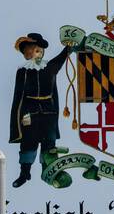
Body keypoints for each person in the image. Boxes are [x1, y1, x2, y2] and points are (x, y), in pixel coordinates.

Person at [9, 32, 73, 187]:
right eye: (27, 51)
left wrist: (69, 46)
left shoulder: (50, 67)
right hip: (29, 113)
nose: (30, 53)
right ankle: (25, 173)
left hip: (49, 114)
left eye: (34, 50)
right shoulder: (23, 71)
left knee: (49, 146)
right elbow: (18, 96)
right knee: (28, 144)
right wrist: (22, 116)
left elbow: (63, 56)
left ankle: (50, 171)